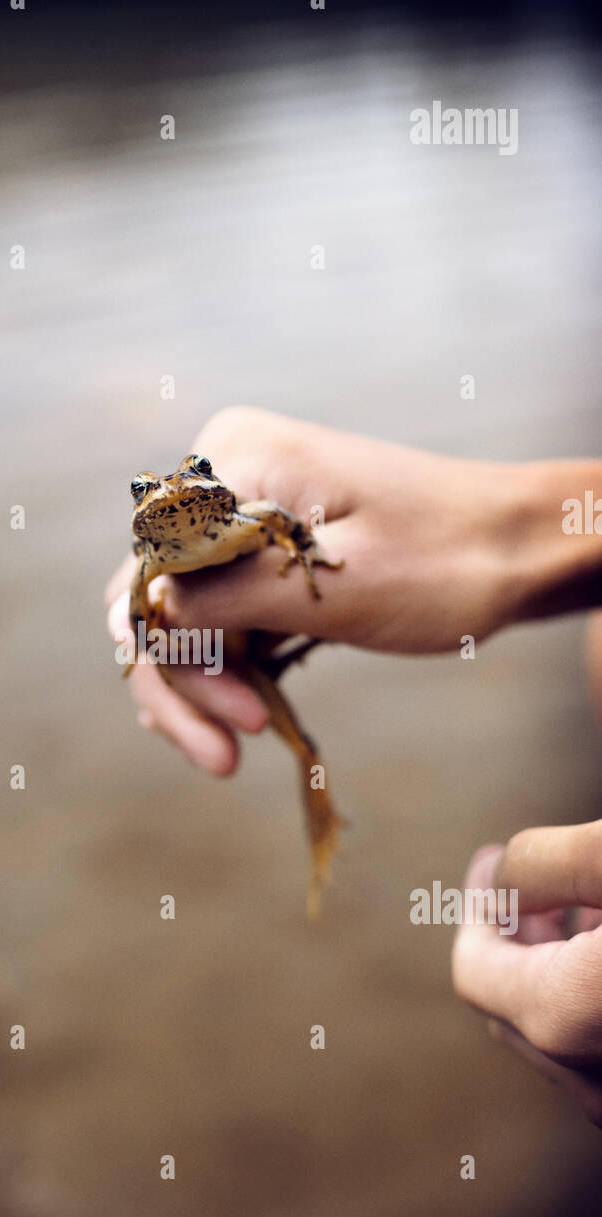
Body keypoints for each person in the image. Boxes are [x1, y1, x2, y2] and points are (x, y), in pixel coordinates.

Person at [104, 406, 602, 1127]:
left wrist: (507, 533)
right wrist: (518, 533)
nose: (171, 495)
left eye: (196, 481)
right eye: (145, 491)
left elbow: (274, 517)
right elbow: (146, 603)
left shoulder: (238, 522)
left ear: (212, 491)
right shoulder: (154, 560)